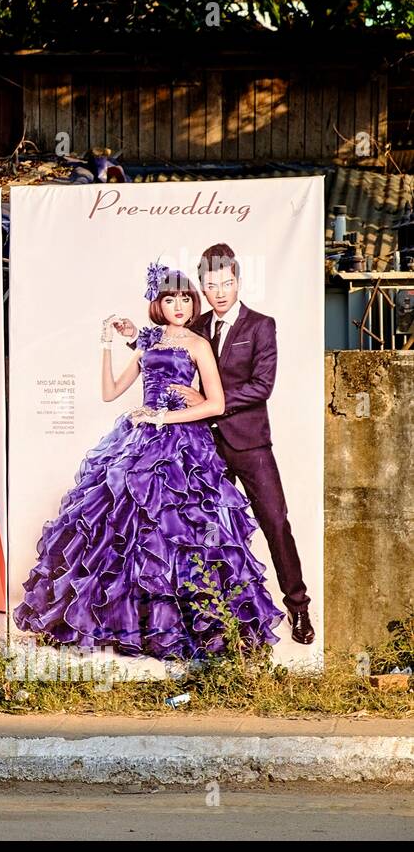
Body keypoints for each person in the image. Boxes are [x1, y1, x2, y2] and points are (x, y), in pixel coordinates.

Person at [14, 265, 285, 659]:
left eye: (186, 298)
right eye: (170, 299)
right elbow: (109, 393)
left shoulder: (198, 345)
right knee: (124, 527)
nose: (179, 305)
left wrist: (165, 417)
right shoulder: (148, 341)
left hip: (183, 445)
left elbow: (217, 403)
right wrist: (106, 344)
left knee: (181, 530)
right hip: (140, 437)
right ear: (158, 304)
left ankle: (186, 624)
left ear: (194, 303)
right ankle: (129, 621)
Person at [116, 244, 313, 644]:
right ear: (202, 288)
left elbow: (262, 386)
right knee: (202, 530)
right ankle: (213, 618)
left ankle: (298, 608)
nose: (219, 291)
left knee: (275, 521)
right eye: (210, 285)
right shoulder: (196, 324)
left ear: (238, 281)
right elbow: (162, 350)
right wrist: (130, 338)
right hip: (200, 444)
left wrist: (208, 402)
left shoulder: (261, 325)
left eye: (226, 283)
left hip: (249, 442)